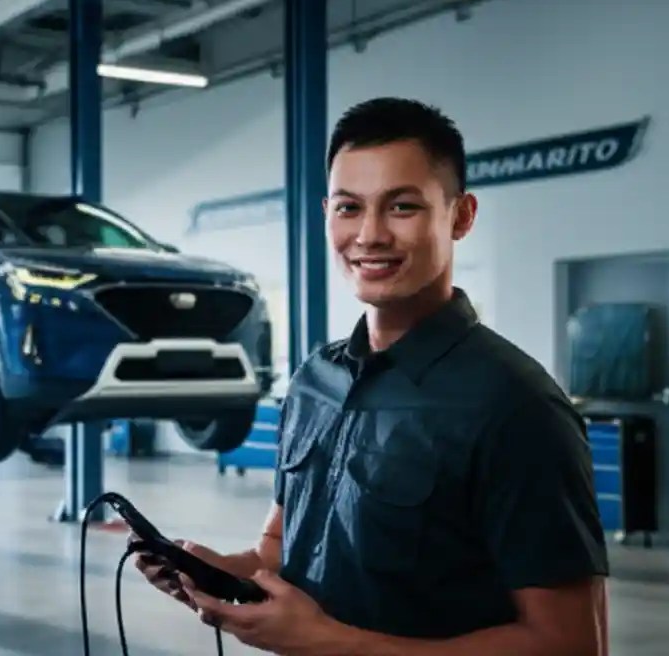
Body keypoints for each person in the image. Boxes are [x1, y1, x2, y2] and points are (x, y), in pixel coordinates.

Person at [134, 97, 609, 655]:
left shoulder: (518, 407)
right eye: (348, 208)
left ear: (461, 215)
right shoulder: (314, 382)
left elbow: (570, 644)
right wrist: (217, 575)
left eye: (402, 207)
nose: (370, 235)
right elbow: (280, 550)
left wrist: (330, 642)